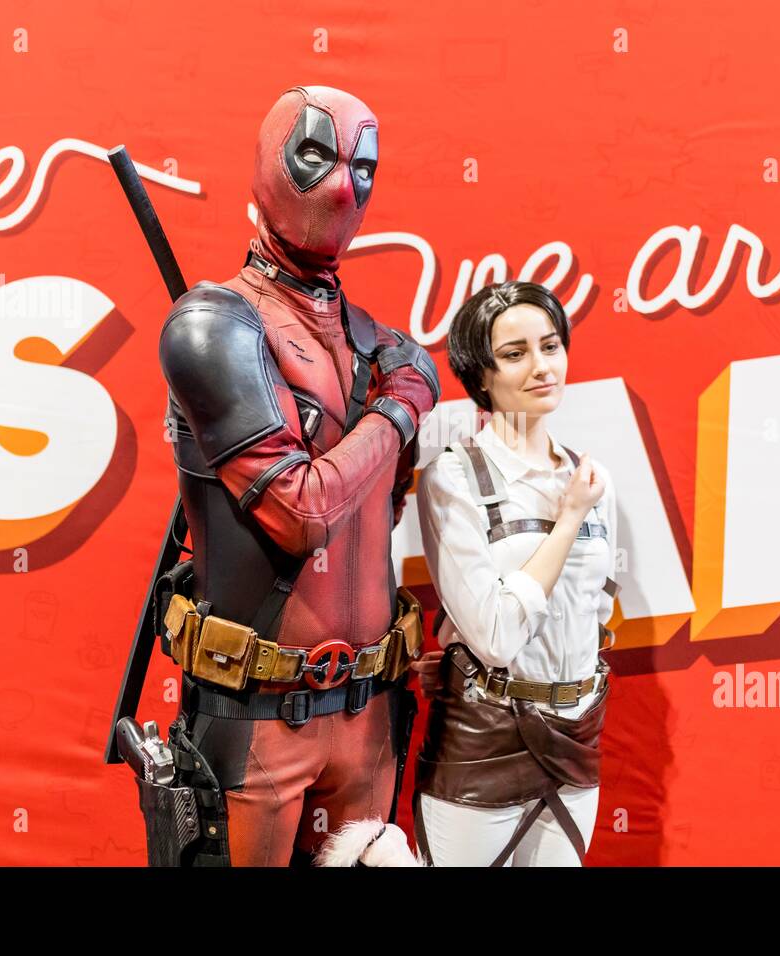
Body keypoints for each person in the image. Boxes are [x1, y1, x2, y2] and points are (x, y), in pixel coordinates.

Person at [153, 85, 440, 866]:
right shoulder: (214, 324)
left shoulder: (379, 345)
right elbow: (300, 512)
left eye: (363, 166)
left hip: (369, 710)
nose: (345, 186)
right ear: (268, 163)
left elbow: (382, 509)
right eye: (315, 155)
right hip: (255, 717)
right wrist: (399, 410)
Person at [410, 280, 619, 866]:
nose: (541, 367)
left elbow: (595, 617)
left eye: (550, 346)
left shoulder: (593, 480)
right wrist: (568, 519)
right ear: (481, 374)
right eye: (515, 354)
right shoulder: (454, 477)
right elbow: (498, 637)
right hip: (484, 737)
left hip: (576, 730)